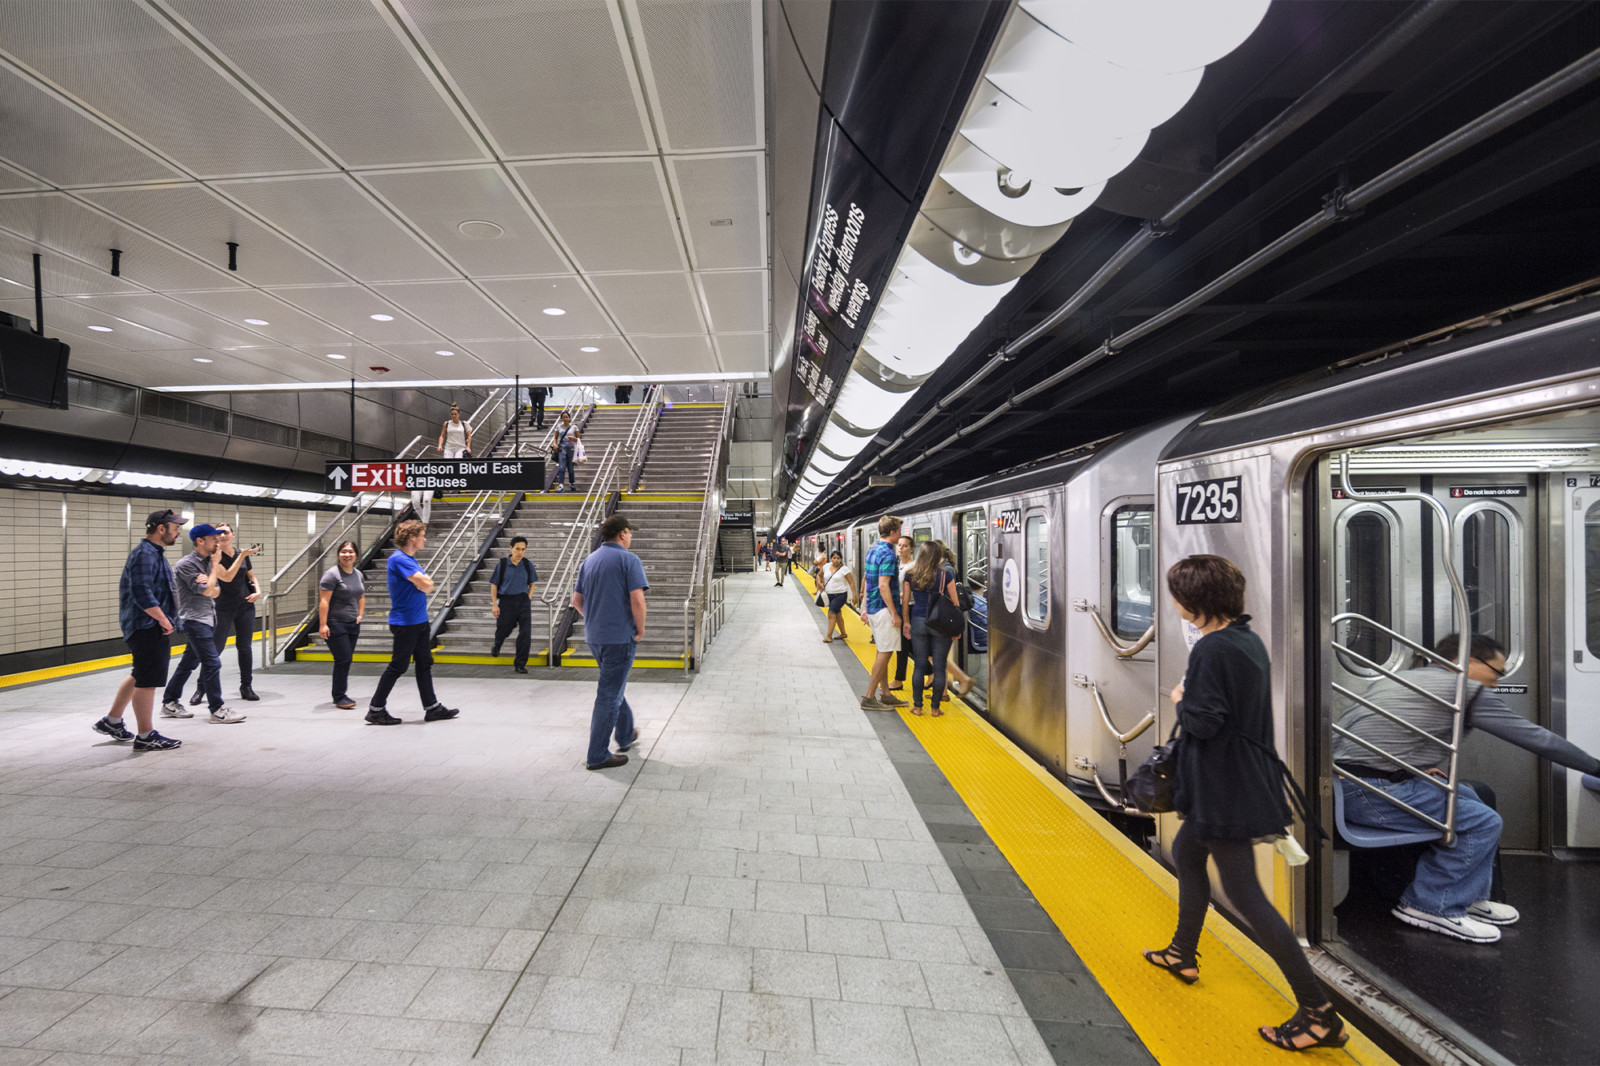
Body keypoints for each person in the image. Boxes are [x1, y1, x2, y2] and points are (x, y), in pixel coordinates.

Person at [1142, 555, 1346, 1052]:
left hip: (1224, 790)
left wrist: (1179, 700)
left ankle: (1318, 1013)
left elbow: (1206, 721)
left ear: (1194, 601)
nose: (1173, 604)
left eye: (1176, 595)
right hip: (1236, 779)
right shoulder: (1245, 640)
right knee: (1188, 854)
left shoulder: (1212, 650)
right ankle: (1182, 952)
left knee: (1248, 897)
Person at [1336, 633, 1600, 943]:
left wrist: (1413, 767)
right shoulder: (1462, 689)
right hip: (1371, 792)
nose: (1497, 684)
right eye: (1497, 673)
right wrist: (1595, 766)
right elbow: (1536, 738)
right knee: (1482, 822)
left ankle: (1469, 896)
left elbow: (1372, 735)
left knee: (1469, 796)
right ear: (1470, 662)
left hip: (1349, 785)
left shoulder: (1403, 678)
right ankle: (1432, 905)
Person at [94, 509, 186, 751]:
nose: (178, 531)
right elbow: (141, 592)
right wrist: (164, 620)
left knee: (140, 673)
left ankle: (111, 721)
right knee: (147, 680)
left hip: (147, 625)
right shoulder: (145, 554)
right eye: (175, 527)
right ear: (161, 528)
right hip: (147, 626)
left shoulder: (154, 553)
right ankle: (146, 736)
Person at [572, 514, 648, 770]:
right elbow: (637, 599)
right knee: (608, 694)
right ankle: (598, 755)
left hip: (595, 637)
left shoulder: (589, 560)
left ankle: (625, 734)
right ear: (622, 533)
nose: (631, 536)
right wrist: (639, 629)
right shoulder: (629, 560)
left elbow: (576, 602)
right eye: (630, 532)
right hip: (619, 638)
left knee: (614, 686)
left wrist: (594, 619)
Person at [366, 520, 459, 726]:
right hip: (405, 623)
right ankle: (376, 709)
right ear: (412, 538)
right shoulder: (399, 559)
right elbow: (427, 584)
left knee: (424, 664)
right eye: (422, 535)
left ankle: (432, 707)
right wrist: (424, 582)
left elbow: (427, 585)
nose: (425, 539)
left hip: (419, 621)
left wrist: (424, 583)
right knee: (398, 666)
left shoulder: (410, 560)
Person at [161, 524, 249, 725]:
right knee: (212, 662)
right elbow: (210, 591)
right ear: (200, 541)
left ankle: (169, 702)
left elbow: (218, 588)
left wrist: (211, 579)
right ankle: (217, 709)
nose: (217, 541)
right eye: (213, 538)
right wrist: (212, 581)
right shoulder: (186, 564)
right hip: (194, 620)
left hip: (208, 618)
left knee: (188, 663)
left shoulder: (210, 562)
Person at [189, 523, 260, 704]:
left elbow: (250, 576)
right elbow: (227, 576)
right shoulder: (215, 557)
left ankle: (246, 686)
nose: (222, 535)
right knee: (215, 649)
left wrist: (257, 590)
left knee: (245, 647)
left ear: (232, 535)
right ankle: (201, 687)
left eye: (226, 532)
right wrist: (242, 556)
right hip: (222, 607)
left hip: (245, 605)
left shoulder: (242, 555)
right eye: (218, 533)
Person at [901, 541, 961, 717]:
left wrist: (906, 622)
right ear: (937, 557)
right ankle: (935, 709)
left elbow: (905, 603)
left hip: (918, 621)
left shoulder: (910, 575)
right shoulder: (945, 576)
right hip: (940, 624)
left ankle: (918, 707)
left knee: (919, 665)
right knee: (939, 666)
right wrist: (955, 628)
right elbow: (955, 604)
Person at [859, 516, 906, 711]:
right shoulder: (887, 554)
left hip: (873, 607)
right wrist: (895, 613)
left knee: (882, 651)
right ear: (893, 532)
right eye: (899, 531)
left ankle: (885, 694)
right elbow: (883, 585)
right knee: (885, 653)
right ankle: (869, 697)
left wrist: (864, 608)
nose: (901, 535)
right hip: (884, 609)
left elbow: (869, 582)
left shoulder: (872, 550)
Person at [318, 540, 365, 710]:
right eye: (344, 552)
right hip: (336, 623)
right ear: (338, 555)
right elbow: (324, 601)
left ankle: (339, 694)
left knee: (346, 660)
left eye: (350, 552)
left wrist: (360, 614)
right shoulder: (331, 575)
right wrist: (323, 625)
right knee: (343, 659)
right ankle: (339, 696)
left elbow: (361, 595)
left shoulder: (358, 574)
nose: (347, 555)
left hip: (353, 623)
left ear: (356, 555)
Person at [490, 535, 538, 673]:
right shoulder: (503, 564)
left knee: (525, 633)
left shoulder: (528, 565)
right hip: (506, 601)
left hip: (523, 601)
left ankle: (520, 664)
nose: (520, 552)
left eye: (523, 549)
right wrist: (494, 604)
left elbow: (532, 583)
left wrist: (528, 598)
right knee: (504, 629)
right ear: (511, 548)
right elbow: (494, 585)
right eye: (517, 549)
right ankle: (497, 643)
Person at [936, 541, 976, 698]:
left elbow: (950, 599)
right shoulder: (946, 568)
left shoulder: (947, 570)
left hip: (947, 618)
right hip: (945, 617)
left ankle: (963, 680)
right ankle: (943, 691)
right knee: (939, 655)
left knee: (938, 655)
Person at [886, 534, 915, 695]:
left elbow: (911, 591)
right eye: (899, 545)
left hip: (909, 608)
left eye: (904, 546)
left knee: (904, 646)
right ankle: (930, 672)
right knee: (904, 646)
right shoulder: (897, 564)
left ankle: (899, 680)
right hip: (899, 607)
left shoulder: (913, 566)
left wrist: (895, 595)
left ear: (912, 549)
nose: (900, 548)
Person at [821, 549, 854, 644]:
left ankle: (828, 636)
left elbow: (851, 583)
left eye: (838, 558)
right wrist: (819, 583)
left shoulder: (844, 569)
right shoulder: (826, 566)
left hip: (840, 595)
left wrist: (854, 596)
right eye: (834, 558)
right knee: (838, 614)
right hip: (829, 594)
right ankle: (843, 633)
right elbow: (819, 575)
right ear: (831, 558)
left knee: (831, 613)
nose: (836, 560)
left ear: (841, 559)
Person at [553, 411, 577, 492]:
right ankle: (561, 485)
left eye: (567, 417)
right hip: (562, 449)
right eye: (564, 417)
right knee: (562, 467)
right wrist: (554, 444)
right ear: (561, 418)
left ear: (569, 418)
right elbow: (555, 437)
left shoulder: (574, 427)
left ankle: (572, 483)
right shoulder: (559, 427)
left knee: (571, 468)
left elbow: (578, 438)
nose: (565, 418)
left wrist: (573, 439)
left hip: (571, 449)